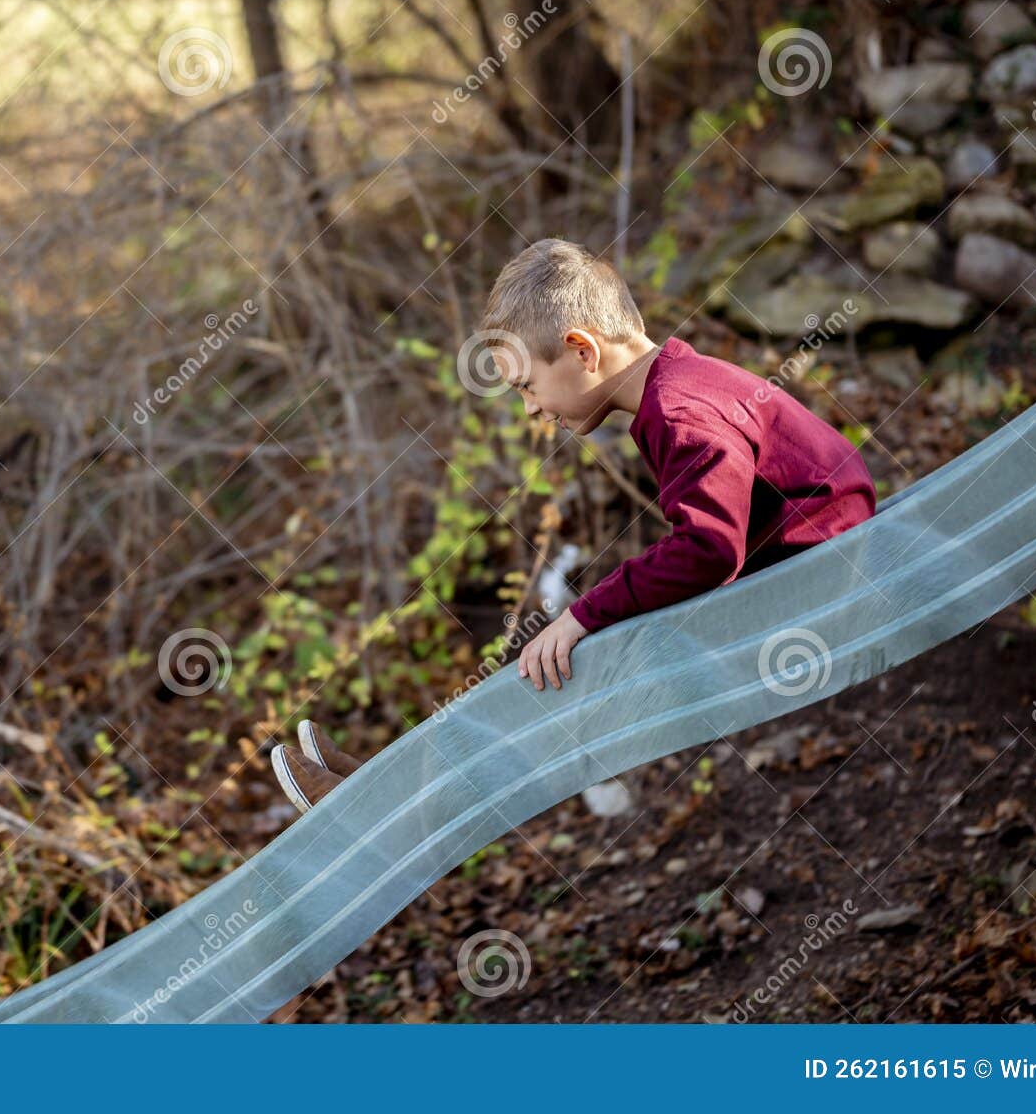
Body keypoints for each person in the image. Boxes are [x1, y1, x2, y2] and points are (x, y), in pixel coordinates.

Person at [271, 238, 876, 814]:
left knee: (566, 668)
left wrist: (583, 613)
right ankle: (385, 784)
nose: (532, 408)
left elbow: (709, 550)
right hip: (796, 578)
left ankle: (386, 800)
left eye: (528, 386)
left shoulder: (681, 411)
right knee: (556, 667)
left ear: (583, 351)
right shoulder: (679, 386)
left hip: (819, 592)